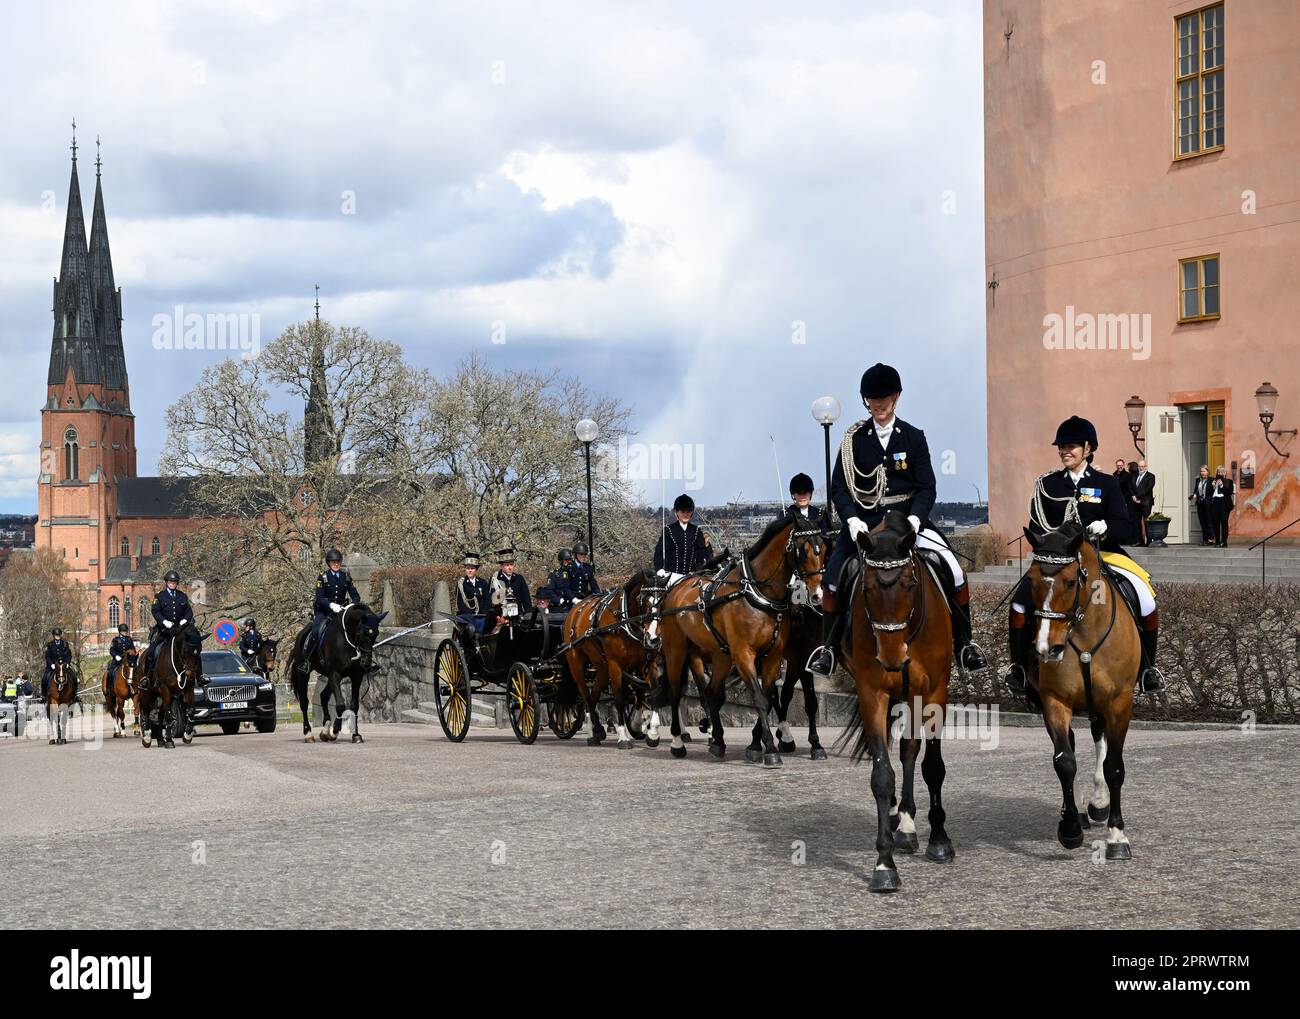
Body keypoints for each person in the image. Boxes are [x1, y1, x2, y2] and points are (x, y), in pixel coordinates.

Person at [807, 363, 986, 676]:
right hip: (864, 524)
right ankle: (829, 649)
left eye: (885, 398)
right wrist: (851, 520)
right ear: (866, 400)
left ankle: (964, 644)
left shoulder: (913, 438)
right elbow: (839, 487)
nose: (879, 404)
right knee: (833, 579)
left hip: (907, 522)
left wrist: (917, 519)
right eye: (873, 399)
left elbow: (927, 487)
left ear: (897, 397)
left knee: (955, 570)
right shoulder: (854, 440)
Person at [1002, 415, 1164, 697]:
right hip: (1057, 561)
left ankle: (1148, 669)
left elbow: (1126, 527)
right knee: (1018, 605)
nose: (1065, 451)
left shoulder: (1107, 483)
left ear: (1088, 448)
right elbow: (1038, 526)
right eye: (1061, 446)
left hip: (1103, 554)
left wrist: (1106, 527)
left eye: (1072, 446)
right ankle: (1018, 668)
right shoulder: (1048, 485)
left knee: (1146, 599)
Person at [300, 549, 361, 674]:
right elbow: (320, 598)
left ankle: (362, 661)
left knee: (358, 630)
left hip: (342, 611)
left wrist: (352, 605)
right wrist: (331, 605)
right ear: (329, 563)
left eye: (338, 561)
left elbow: (355, 595)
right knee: (316, 632)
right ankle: (307, 661)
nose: (336, 564)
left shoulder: (346, 576)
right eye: (333, 562)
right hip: (324, 612)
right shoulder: (323, 577)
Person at [142, 570, 195, 689]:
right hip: (165, 631)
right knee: (152, 651)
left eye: (174, 582)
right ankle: (147, 677)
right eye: (170, 581)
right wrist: (165, 622)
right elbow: (155, 611)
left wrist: (185, 620)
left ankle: (199, 675)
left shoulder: (182, 596)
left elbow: (189, 611)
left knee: (194, 648)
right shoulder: (159, 597)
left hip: (180, 630)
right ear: (166, 582)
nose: (172, 583)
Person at [654, 494, 710, 583]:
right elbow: (659, 552)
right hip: (671, 576)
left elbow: (701, 555)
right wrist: (659, 568)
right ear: (677, 512)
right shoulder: (668, 530)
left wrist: (701, 569)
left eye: (688, 511)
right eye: (683, 511)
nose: (685, 514)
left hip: (691, 577)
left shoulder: (696, 531)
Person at [489, 548, 531, 630]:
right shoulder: (495, 579)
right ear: (501, 566)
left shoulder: (519, 579)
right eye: (507, 565)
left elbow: (526, 601)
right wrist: (498, 617)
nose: (510, 567)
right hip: (501, 618)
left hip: (518, 617)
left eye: (511, 564)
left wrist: (528, 616)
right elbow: (492, 602)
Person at [455, 553, 492, 633]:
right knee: (471, 624)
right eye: (468, 568)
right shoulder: (461, 584)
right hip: (467, 615)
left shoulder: (482, 582)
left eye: (472, 568)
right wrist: (470, 613)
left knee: (488, 620)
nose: (470, 570)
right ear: (465, 569)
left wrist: (484, 612)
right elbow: (460, 603)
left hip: (481, 614)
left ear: (476, 569)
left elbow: (487, 600)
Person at [41, 627, 76, 702]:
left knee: (74, 677)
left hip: (63, 666)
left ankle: (75, 695)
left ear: (60, 635)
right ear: (53, 636)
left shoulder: (65, 644)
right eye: (56, 635)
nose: (57, 636)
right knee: (44, 679)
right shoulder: (50, 645)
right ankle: (43, 696)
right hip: (53, 666)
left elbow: (69, 655)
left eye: (59, 635)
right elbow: (48, 656)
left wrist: (67, 663)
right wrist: (51, 664)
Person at [1130, 459, 1156, 546]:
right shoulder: (1134, 476)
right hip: (1135, 502)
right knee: (1136, 522)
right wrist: (1133, 496)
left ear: (1146, 467)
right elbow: (1130, 487)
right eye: (1139, 466)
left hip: (1145, 502)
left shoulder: (1151, 476)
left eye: (1142, 466)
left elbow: (1148, 489)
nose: (1141, 468)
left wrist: (1137, 497)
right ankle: (1139, 541)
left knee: (1146, 522)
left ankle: (1149, 541)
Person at [1210, 466, 1235, 547]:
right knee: (1215, 523)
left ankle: (1224, 542)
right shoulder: (1213, 481)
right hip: (1215, 503)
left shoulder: (1229, 481)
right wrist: (1213, 487)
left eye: (1221, 472)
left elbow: (1229, 492)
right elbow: (1209, 494)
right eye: (1218, 472)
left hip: (1224, 503)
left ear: (1225, 473)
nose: (1220, 474)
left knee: (1224, 523)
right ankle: (1217, 541)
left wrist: (1221, 485)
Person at [1188, 464, 1213, 545]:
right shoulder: (1198, 480)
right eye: (1201, 471)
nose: (1202, 473)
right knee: (1202, 522)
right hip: (1200, 503)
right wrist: (1194, 495)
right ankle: (1204, 540)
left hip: (1208, 504)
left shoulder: (1211, 480)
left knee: (1208, 521)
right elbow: (1196, 490)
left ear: (1208, 472)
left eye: (1204, 471)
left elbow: (1213, 492)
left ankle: (1210, 539)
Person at [107, 623, 135, 689]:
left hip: (128, 660)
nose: (126, 632)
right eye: (124, 631)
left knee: (135, 670)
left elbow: (133, 648)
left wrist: (132, 652)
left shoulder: (129, 639)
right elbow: (112, 650)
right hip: (118, 660)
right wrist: (116, 656)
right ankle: (110, 688)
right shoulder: (115, 640)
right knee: (110, 672)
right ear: (120, 632)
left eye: (126, 631)